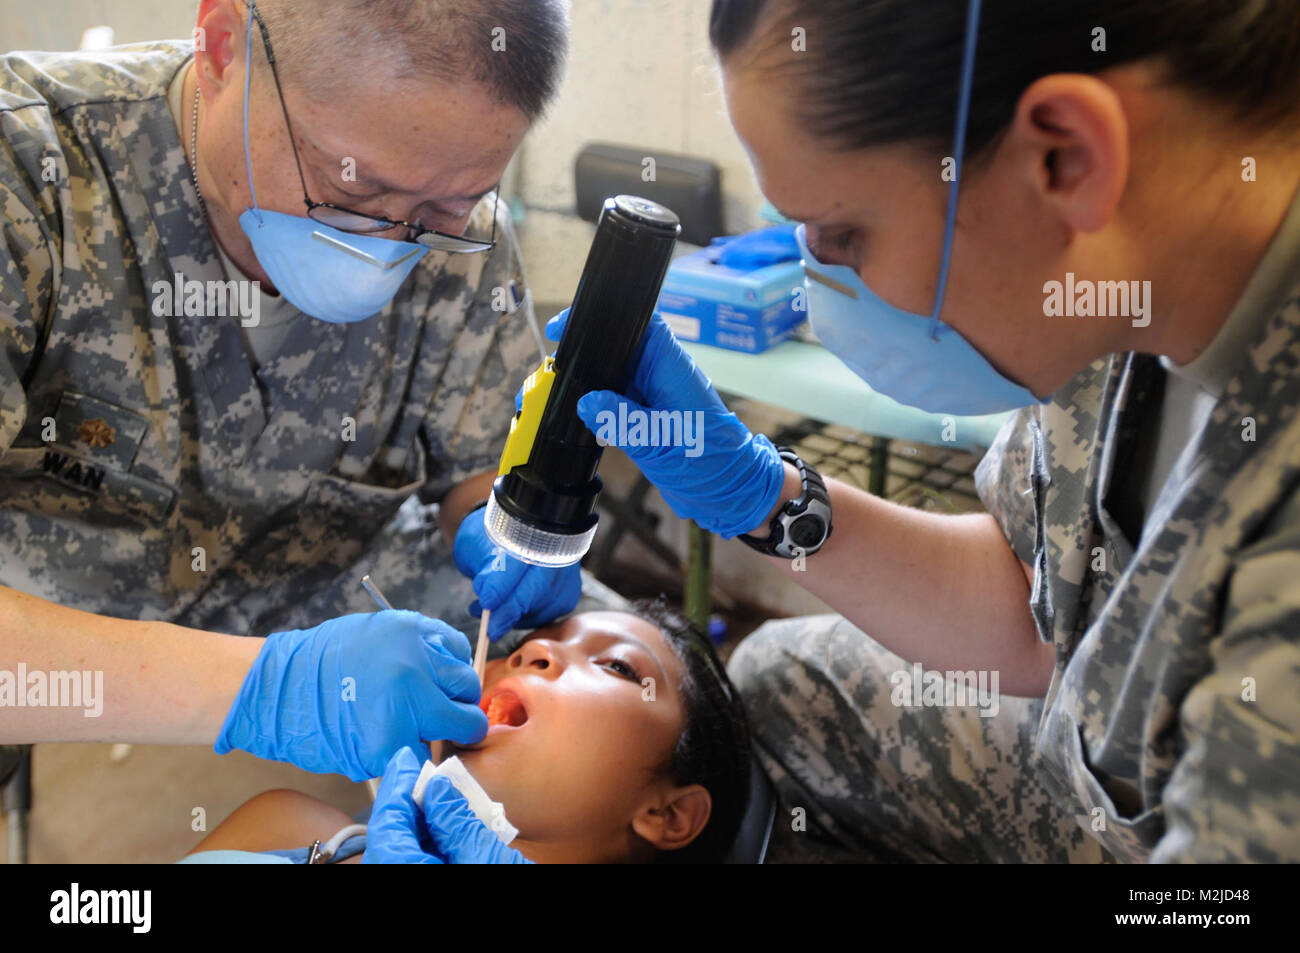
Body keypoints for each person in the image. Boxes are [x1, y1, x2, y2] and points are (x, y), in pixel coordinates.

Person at [527, 0, 1300, 862]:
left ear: (1068, 155)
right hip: (1096, 759)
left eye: (844, 233)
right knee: (786, 684)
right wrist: (770, 497)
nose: (826, 288)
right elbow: (1033, 612)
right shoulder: (1107, 281)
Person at [0, 0, 582, 794]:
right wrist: (270, 689)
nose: (387, 244)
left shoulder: (466, 238)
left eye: (444, 211)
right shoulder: (27, 183)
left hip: (330, 583)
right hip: (50, 625)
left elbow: (481, 459)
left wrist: (504, 528)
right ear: (220, 45)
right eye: (351, 192)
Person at [179, 604, 753, 863]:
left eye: (618, 667)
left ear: (668, 815)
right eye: (523, 644)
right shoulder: (284, 826)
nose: (534, 649)